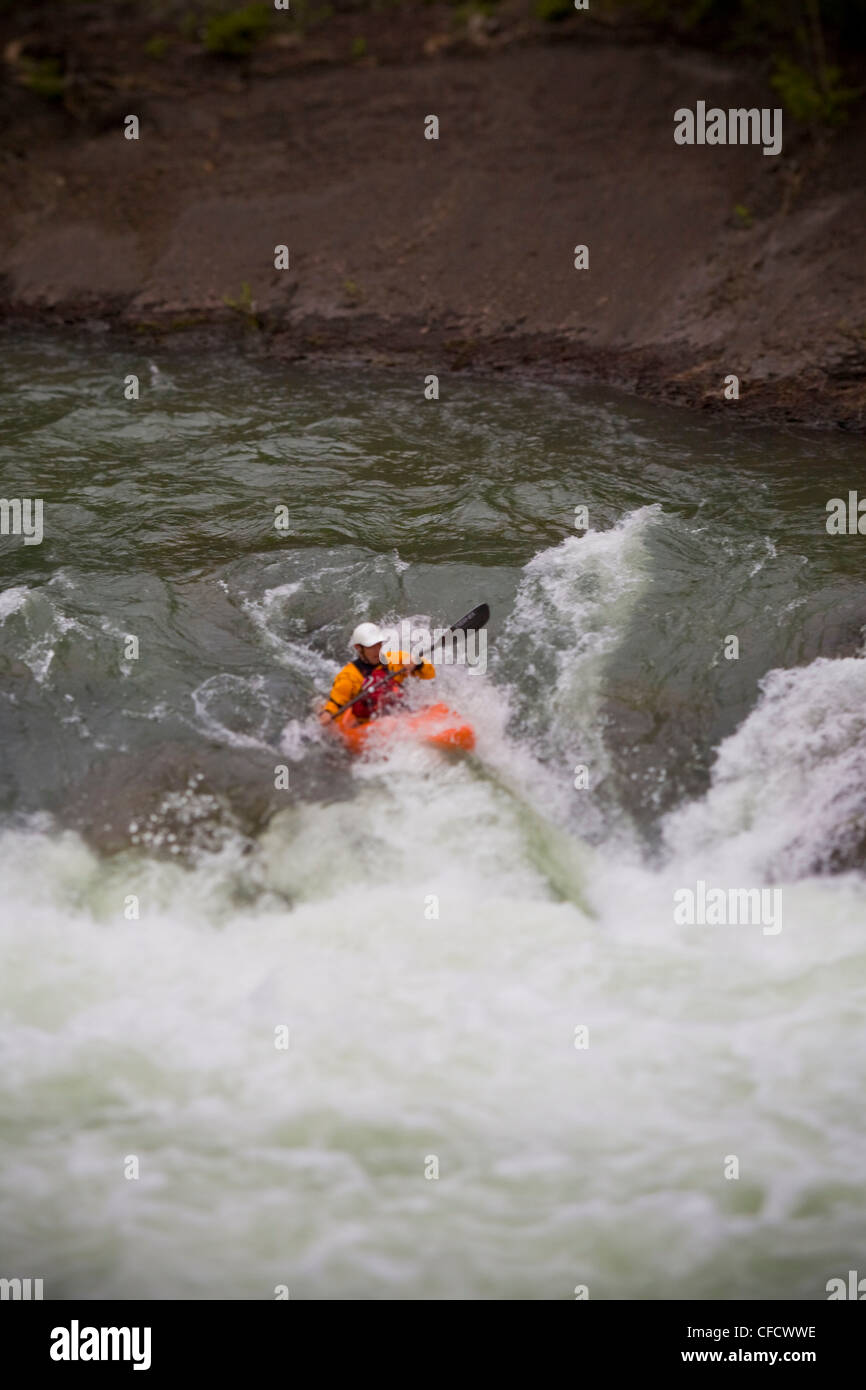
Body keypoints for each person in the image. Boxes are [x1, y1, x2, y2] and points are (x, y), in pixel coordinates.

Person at [320, 622, 435, 724]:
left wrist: (418, 664)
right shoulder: (348, 676)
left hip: (400, 714)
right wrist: (327, 713)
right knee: (388, 723)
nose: (377, 650)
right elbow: (335, 704)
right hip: (370, 724)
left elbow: (430, 674)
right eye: (371, 647)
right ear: (358, 648)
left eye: (379, 644)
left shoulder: (394, 659)